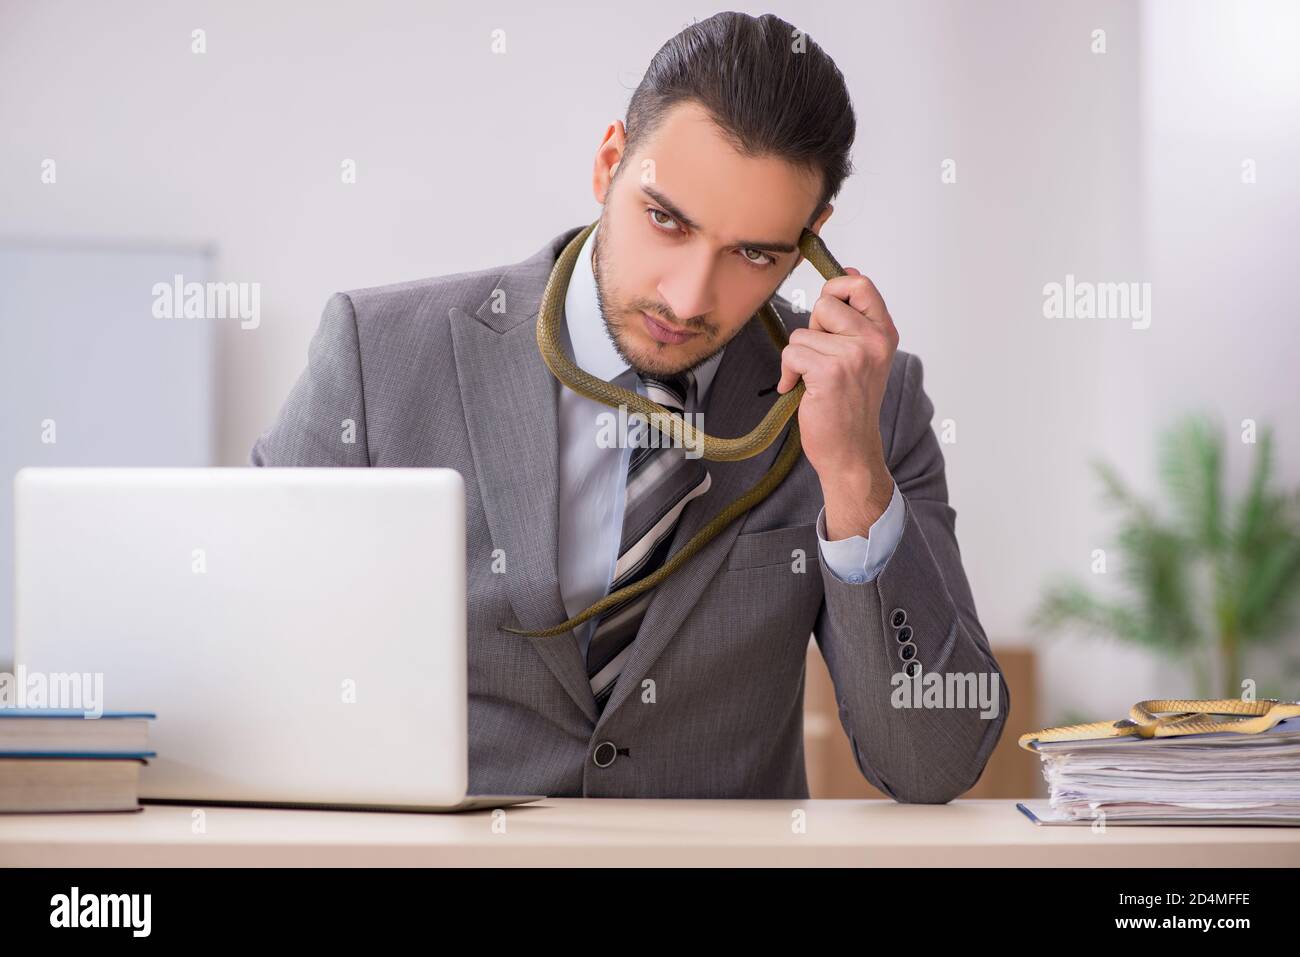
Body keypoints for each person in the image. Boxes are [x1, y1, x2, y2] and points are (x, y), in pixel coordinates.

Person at [250, 11, 1009, 802]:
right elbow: (249, 657)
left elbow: (935, 763)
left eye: (755, 253)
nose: (688, 298)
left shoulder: (870, 409)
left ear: (813, 241)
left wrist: (853, 475)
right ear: (610, 162)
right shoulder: (377, 356)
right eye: (666, 220)